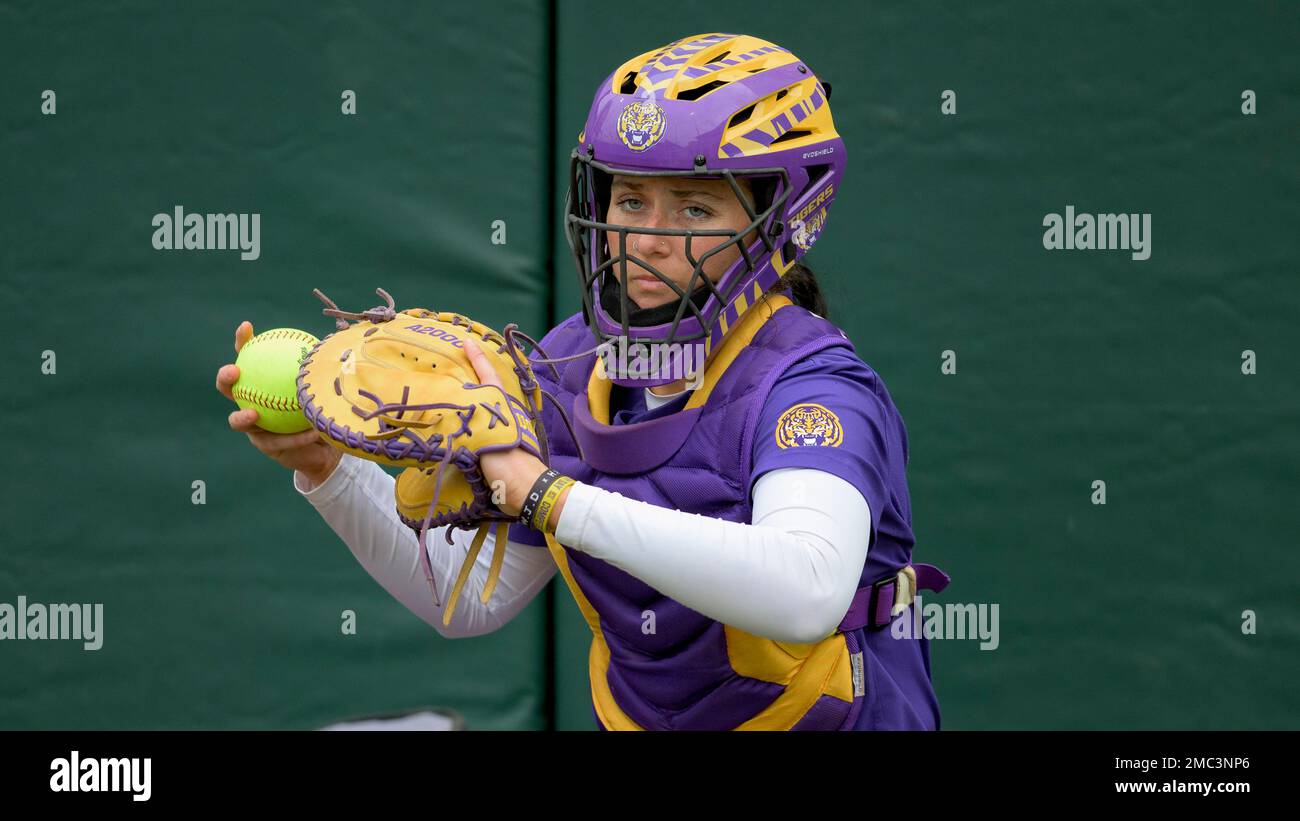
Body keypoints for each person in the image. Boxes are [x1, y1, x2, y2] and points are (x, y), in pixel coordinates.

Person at [215, 32, 948, 731]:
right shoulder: (575, 364)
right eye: (630, 200)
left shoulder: (813, 382)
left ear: (776, 222)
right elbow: (471, 597)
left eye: (695, 207)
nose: (648, 238)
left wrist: (546, 494)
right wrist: (330, 469)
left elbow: (805, 591)